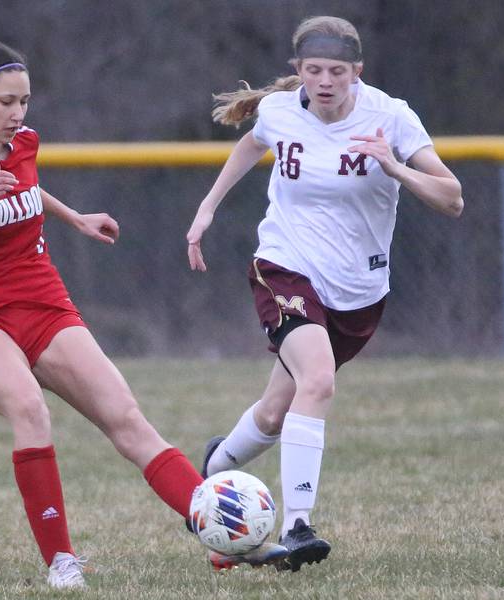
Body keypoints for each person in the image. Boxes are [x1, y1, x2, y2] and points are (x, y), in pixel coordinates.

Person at [0, 39, 287, 589]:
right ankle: (62, 563)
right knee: (30, 411)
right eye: (5, 102)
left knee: (127, 418)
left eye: (24, 100)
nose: (18, 112)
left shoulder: (23, 142)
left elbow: (29, 188)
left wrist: (75, 217)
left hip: (42, 300)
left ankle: (219, 533)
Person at [187, 16, 464, 572]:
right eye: (313, 70)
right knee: (317, 379)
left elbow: (453, 198)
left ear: (357, 72)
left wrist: (394, 167)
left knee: (274, 412)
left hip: (359, 288)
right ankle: (297, 527)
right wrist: (207, 208)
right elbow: (252, 142)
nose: (325, 80)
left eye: (337, 70)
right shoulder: (282, 110)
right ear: (298, 72)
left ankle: (212, 469)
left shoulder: (391, 117)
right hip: (283, 266)